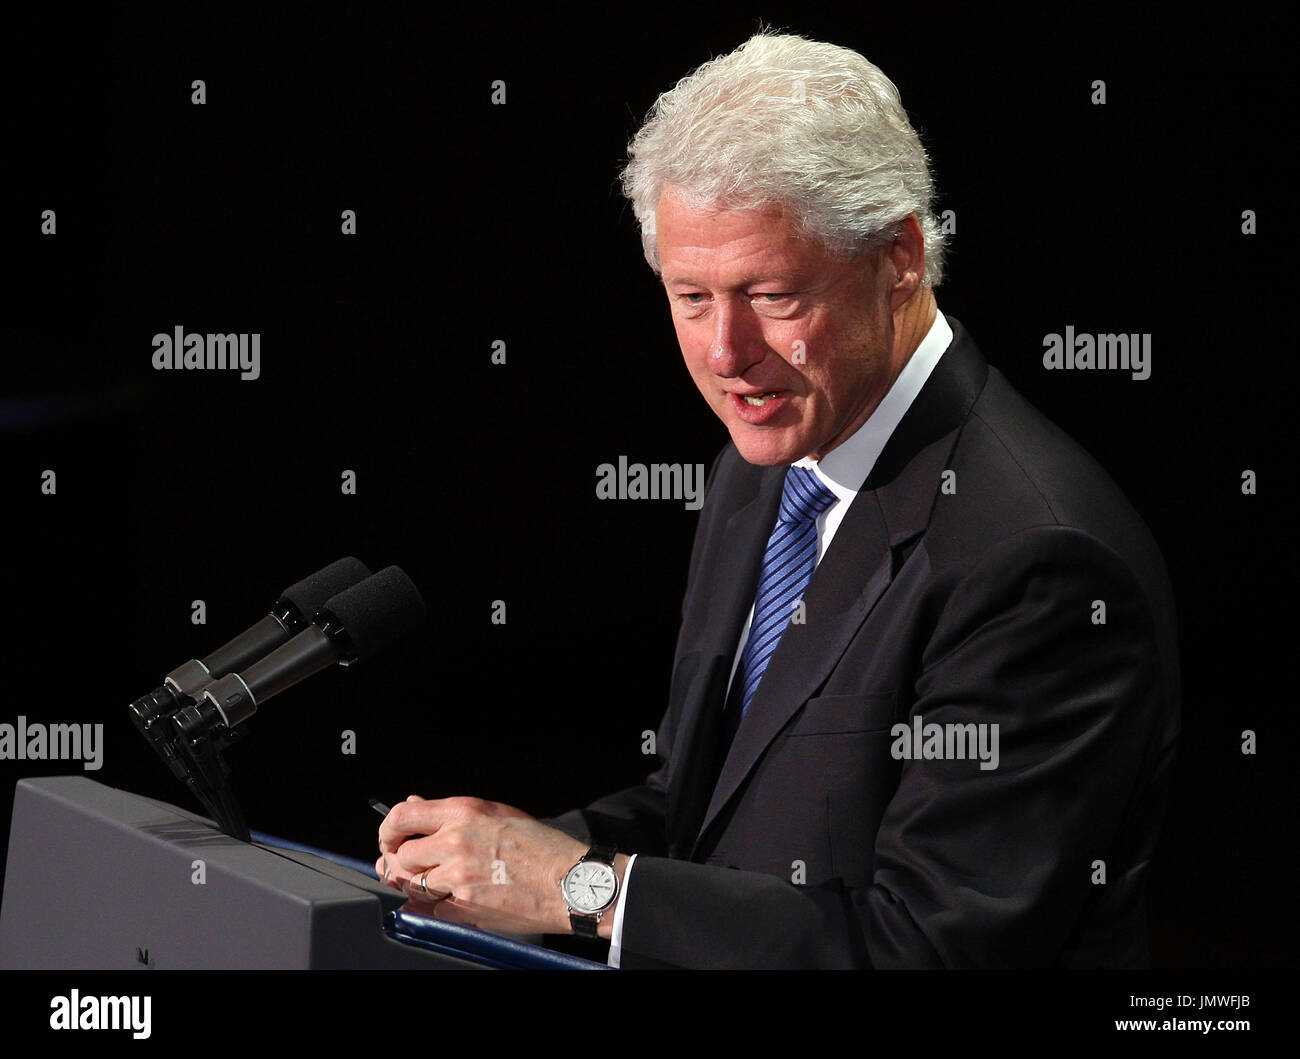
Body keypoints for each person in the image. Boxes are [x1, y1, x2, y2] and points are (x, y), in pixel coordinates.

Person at [375, 30, 1180, 969]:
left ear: (900, 260)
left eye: (771, 294)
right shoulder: (763, 464)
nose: (726, 353)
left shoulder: (1038, 560)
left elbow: (920, 949)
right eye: (690, 296)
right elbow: (704, 810)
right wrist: (494, 862)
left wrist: (578, 887)